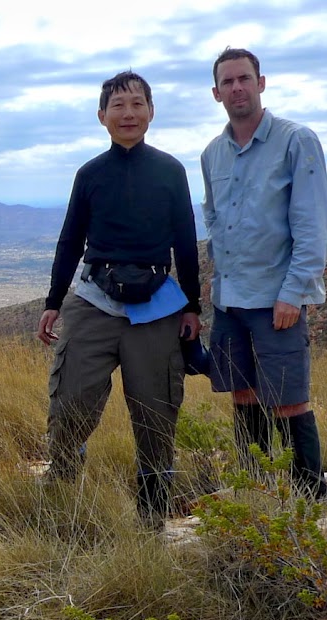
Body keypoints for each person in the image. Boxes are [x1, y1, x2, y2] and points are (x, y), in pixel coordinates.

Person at [36, 70, 201, 522]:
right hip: (93, 300)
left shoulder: (170, 170)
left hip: (157, 306)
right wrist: (53, 301)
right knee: (69, 402)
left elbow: (185, 242)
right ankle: (62, 497)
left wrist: (192, 306)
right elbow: (71, 240)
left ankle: (152, 516)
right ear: (101, 116)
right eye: (118, 105)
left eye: (137, 104)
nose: (128, 113)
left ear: (151, 112)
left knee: (155, 414)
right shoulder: (90, 174)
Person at [200, 48, 327, 499]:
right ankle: (254, 499)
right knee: (242, 395)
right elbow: (215, 220)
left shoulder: (296, 140)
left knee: (289, 400)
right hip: (230, 300)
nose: (237, 87)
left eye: (244, 78)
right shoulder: (212, 154)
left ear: (261, 82)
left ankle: (309, 505)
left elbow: (313, 225)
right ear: (216, 93)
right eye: (228, 82)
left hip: (277, 298)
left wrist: (293, 293)